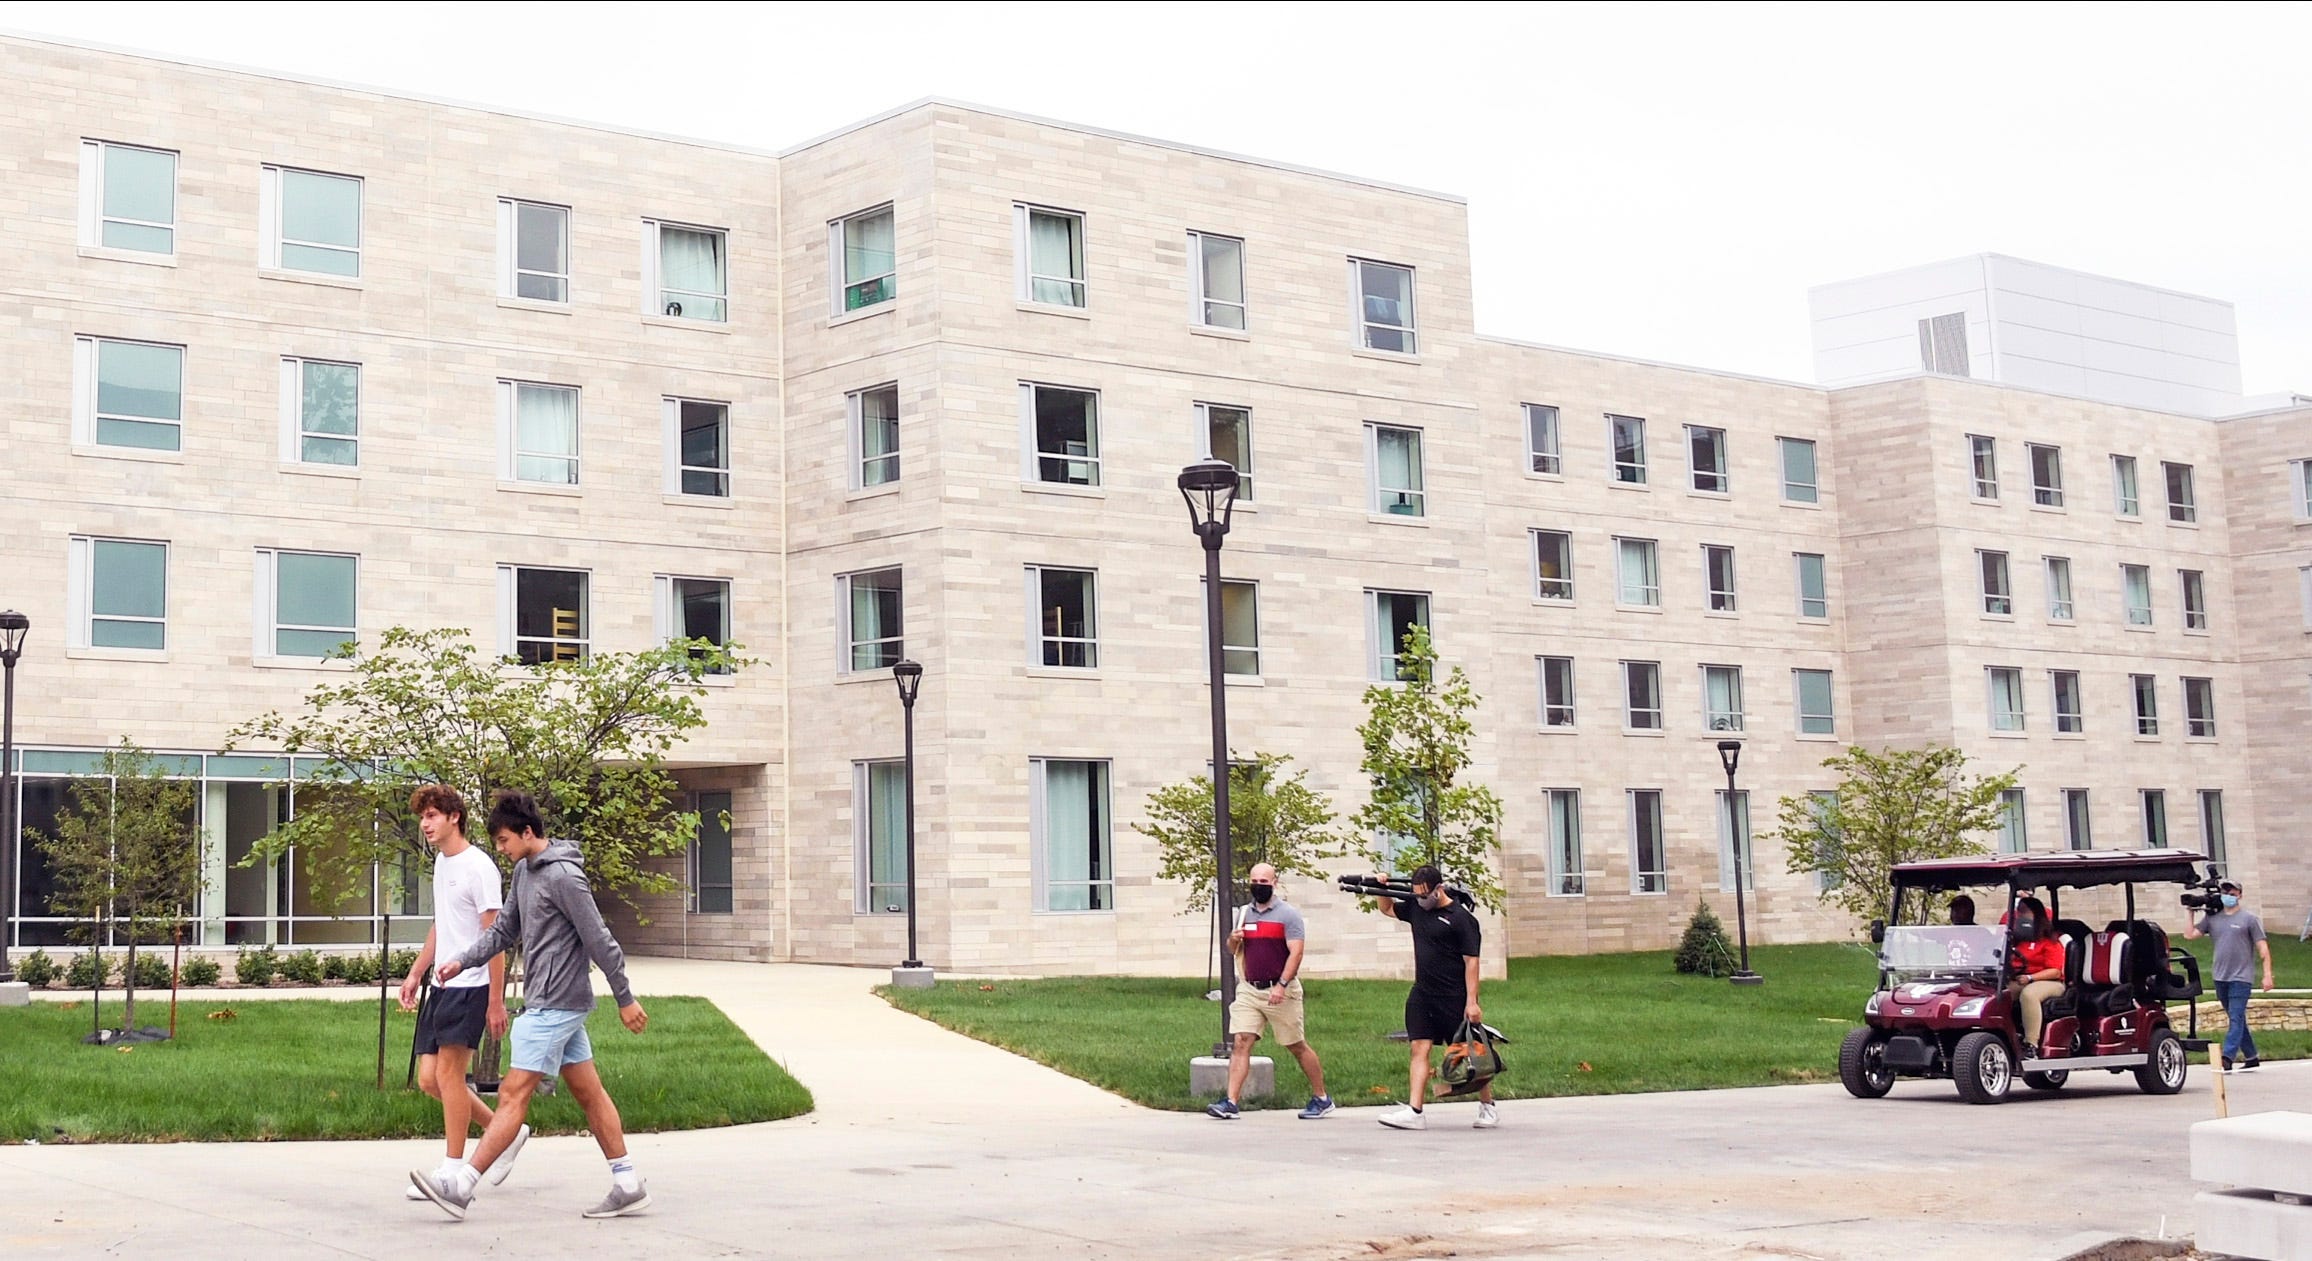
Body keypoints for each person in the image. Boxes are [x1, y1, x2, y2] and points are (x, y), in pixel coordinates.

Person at [410, 790, 651, 1221]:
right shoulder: (524, 872)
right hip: (548, 999)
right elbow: (503, 931)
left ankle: (462, 1185)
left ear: (526, 832)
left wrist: (624, 997)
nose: (501, 850)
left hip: (558, 1003)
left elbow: (600, 939)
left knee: (512, 1093)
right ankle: (628, 1183)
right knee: (589, 1092)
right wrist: (461, 960)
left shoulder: (565, 878)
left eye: (504, 840)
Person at [398, 785, 528, 1201]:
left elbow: (496, 939)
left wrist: (495, 1001)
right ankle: (504, 1134)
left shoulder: (479, 867)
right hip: (441, 985)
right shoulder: (442, 862)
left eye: (432, 815)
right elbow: (444, 924)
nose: (425, 824)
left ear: (454, 817)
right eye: (422, 817)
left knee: (449, 1076)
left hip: (471, 986)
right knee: (428, 1080)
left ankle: (452, 1173)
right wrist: (416, 973)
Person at [1206, 863, 1335, 1121]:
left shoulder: (1288, 915)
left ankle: (1321, 1098)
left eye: (1264, 882)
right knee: (1241, 1041)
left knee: (1296, 1045)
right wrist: (1233, 939)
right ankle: (1231, 1102)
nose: (1258, 886)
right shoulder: (1245, 913)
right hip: (1250, 989)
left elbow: (1296, 953)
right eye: (1254, 881)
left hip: (1280, 989)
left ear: (1274, 883)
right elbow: (1232, 949)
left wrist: (1282, 985)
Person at [1373, 865, 1496, 1131]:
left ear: (1439, 889)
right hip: (1423, 994)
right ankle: (1415, 1111)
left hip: (1453, 996)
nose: (1421, 900)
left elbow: (1471, 962)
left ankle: (1488, 1106)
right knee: (1419, 1047)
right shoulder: (1416, 907)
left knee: (1467, 1052)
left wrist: (1472, 1002)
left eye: (1425, 895)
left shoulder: (1461, 919)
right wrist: (1382, 889)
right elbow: (1387, 909)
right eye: (1417, 895)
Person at [2185, 879, 2275, 1072]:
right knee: (2237, 1018)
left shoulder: (2249, 919)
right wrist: (2191, 912)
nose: (2229, 896)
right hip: (2220, 977)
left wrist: (2267, 974)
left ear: (2240, 895)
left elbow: (2263, 948)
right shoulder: (2213, 918)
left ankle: (2227, 1057)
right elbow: (2190, 935)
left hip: (2241, 977)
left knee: (2235, 1017)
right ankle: (2252, 1056)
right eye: (2225, 893)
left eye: (2233, 893)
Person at [2006, 895, 2066, 1057]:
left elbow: (2055, 971)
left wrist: (2031, 978)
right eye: (2019, 912)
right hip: (2021, 979)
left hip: (2050, 982)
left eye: (2024, 912)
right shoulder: (2018, 941)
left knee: (2029, 994)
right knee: (2000, 994)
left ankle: (2031, 1044)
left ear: (2036, 914)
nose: (2020, 916)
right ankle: (2006, 1037)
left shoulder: (2049, 941)